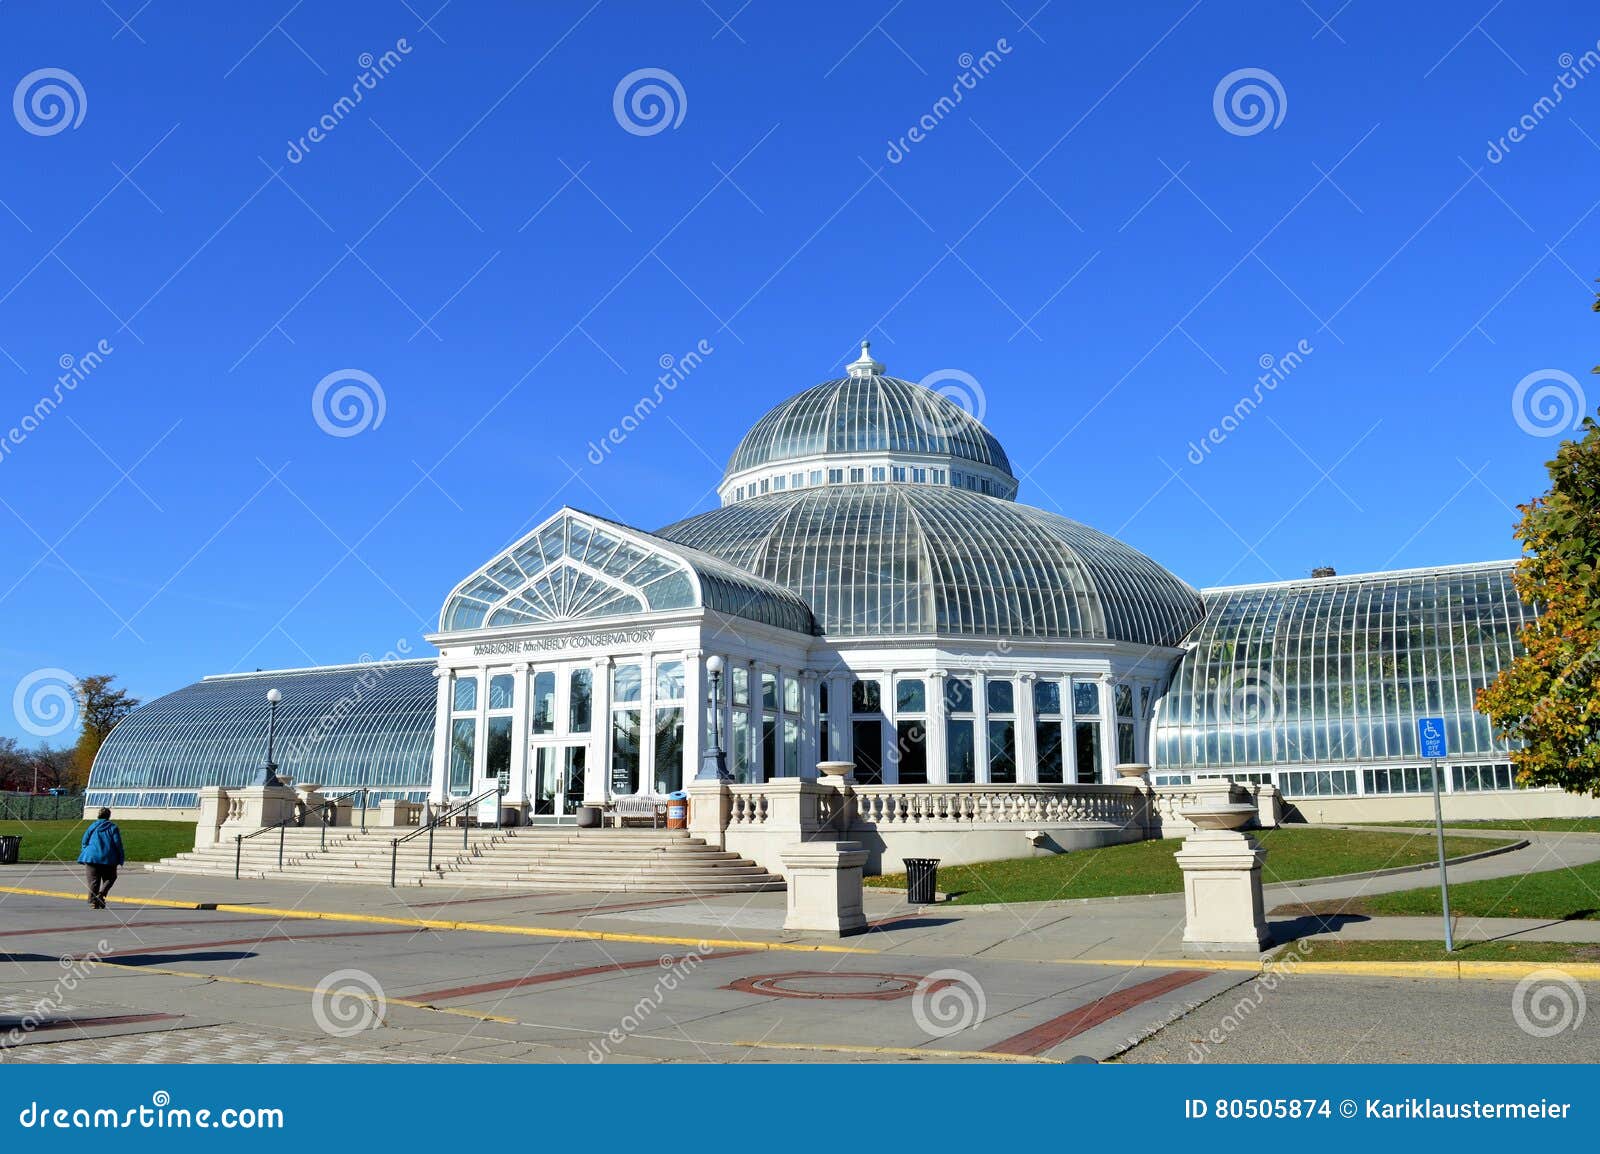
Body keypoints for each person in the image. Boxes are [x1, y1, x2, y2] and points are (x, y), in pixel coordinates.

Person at [77, 808, 125, 909]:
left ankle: (94, 901)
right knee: (111, 877)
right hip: (108, 857)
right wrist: (120, 858)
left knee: (93, 881)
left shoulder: (92, 826)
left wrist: (86, 851)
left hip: (91, 857)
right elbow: (118, 844)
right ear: (109, 816)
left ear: (98, 815)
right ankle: (101, 894)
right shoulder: (113, 827)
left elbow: (84, 841)